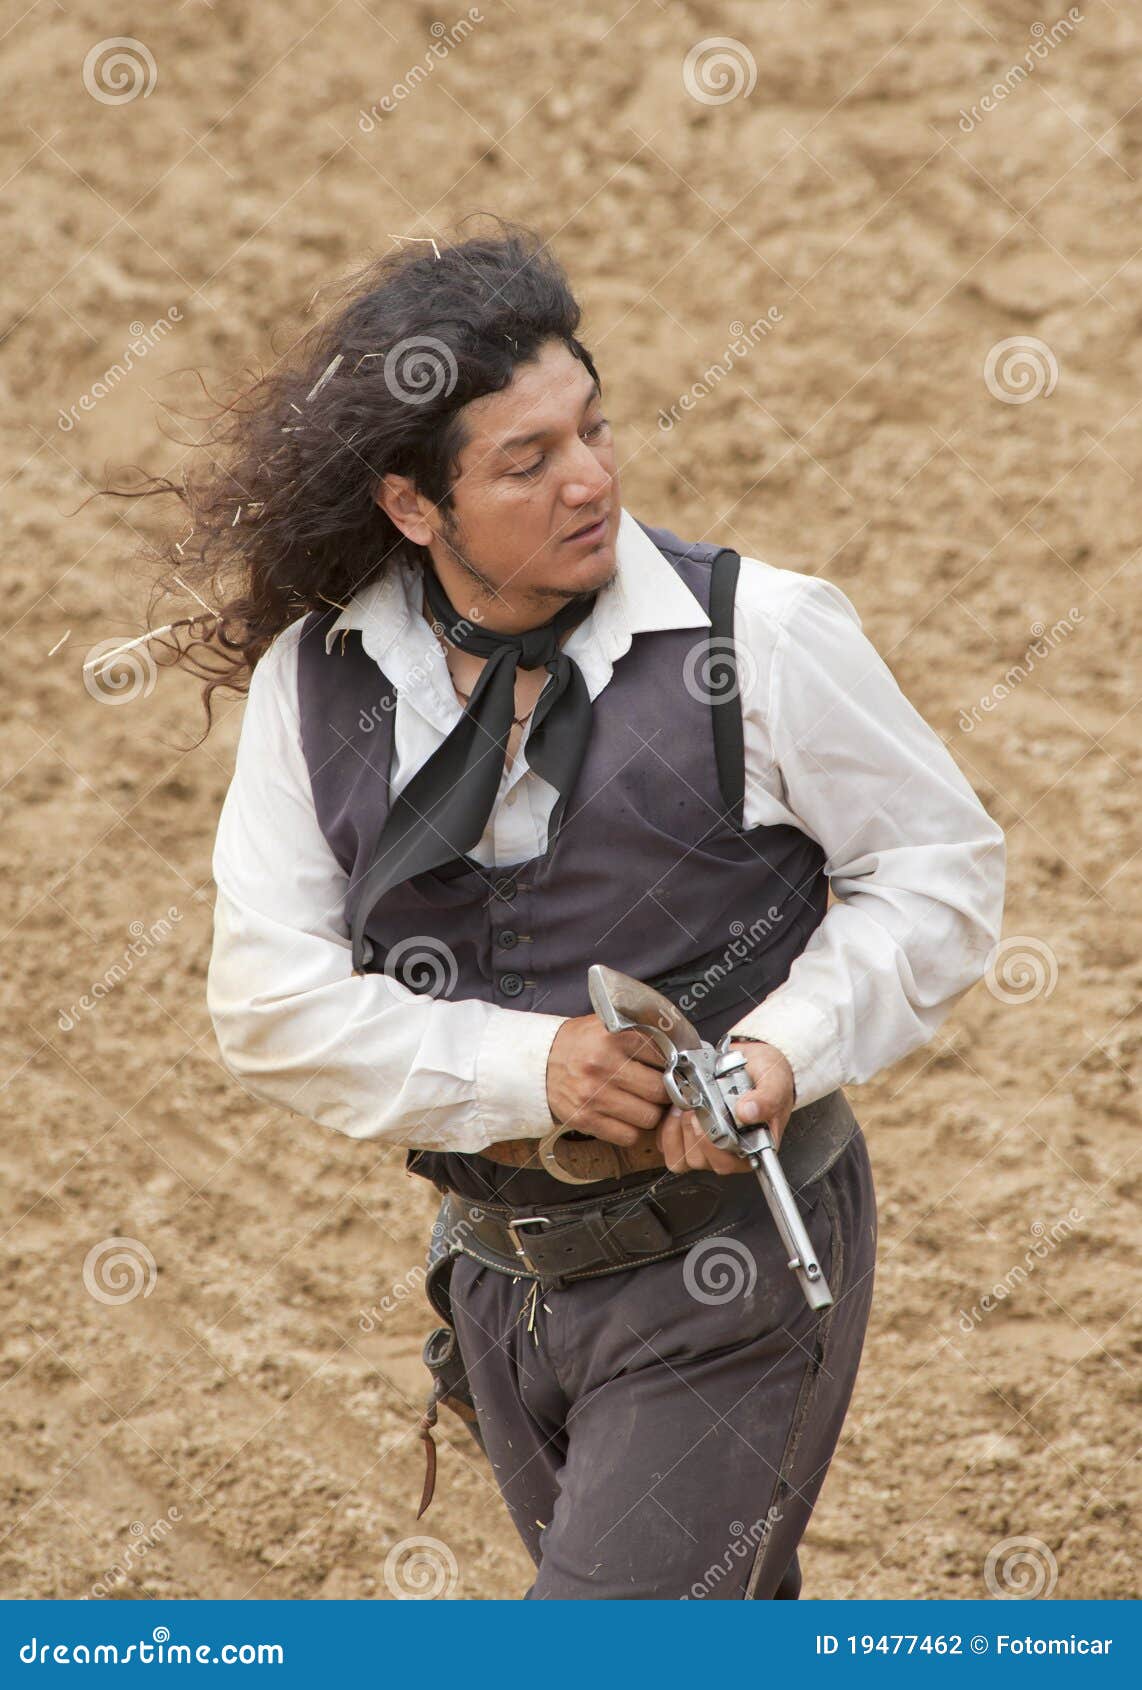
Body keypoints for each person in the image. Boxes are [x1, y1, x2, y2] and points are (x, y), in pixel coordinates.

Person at [158, 220, 1004, 1598]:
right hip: (493, 1277)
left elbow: (937, 870)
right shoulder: (314, 683)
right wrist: (526, 1064)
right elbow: (267, 1001)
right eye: (527, 458)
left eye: (592, 429)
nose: (589, 479)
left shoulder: (766, 636)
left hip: (727, 1262)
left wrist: (779, 1050)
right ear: (412, 506)